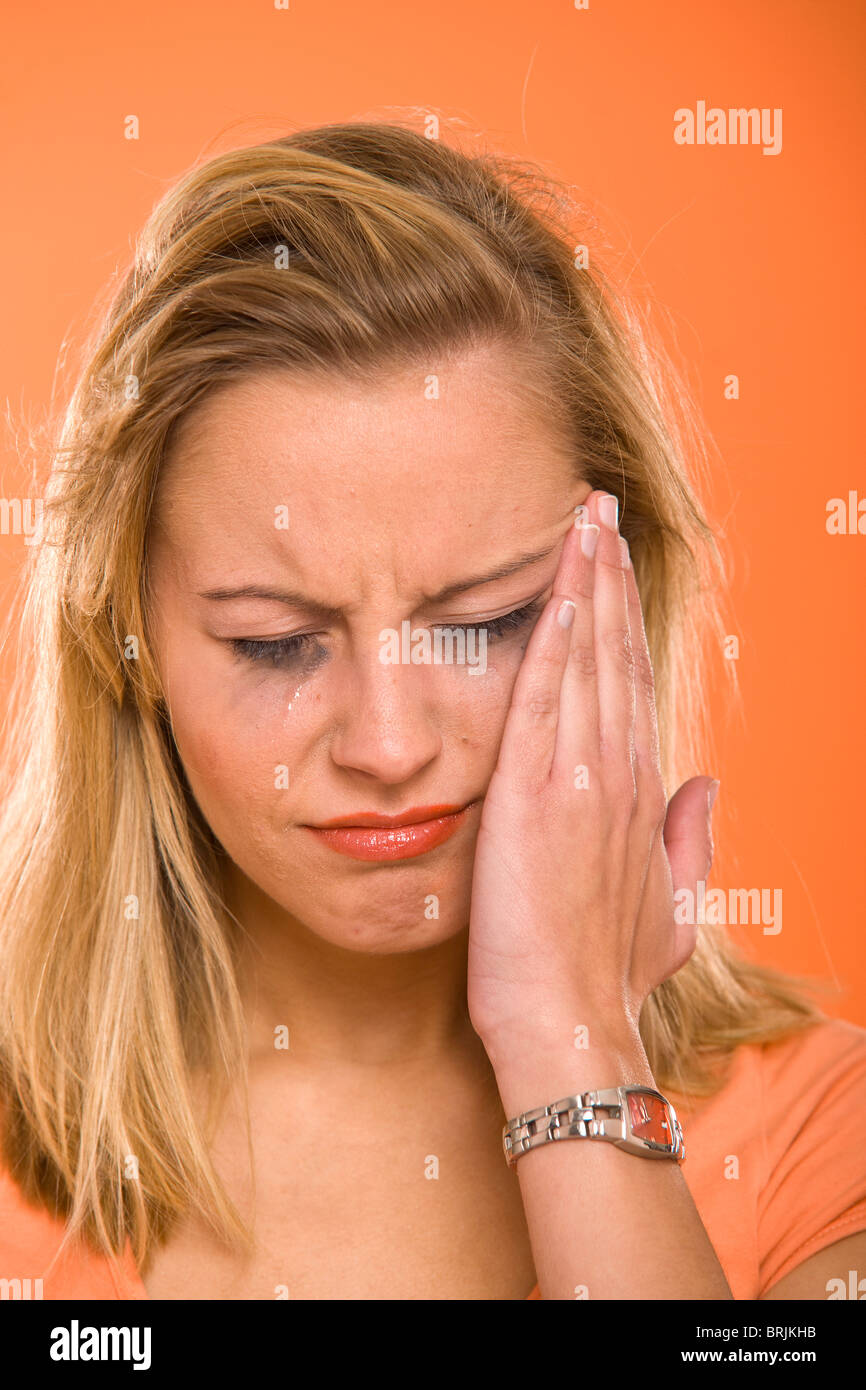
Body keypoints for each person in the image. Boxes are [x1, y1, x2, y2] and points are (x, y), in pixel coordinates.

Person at [0, 121, 863, 1302]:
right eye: (276, 642)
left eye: (485, 621)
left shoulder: (829, 1137)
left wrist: (575, 1045)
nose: (390, 746)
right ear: (124, 638)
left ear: (620, 583)